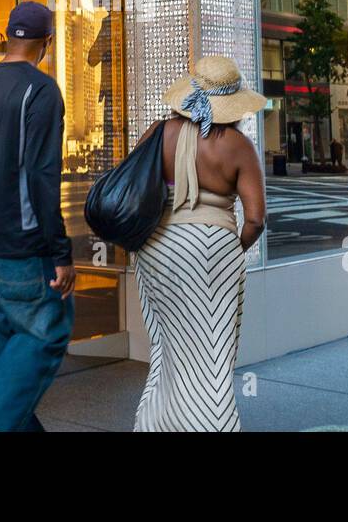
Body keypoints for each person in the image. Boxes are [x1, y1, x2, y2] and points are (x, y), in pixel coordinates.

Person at [0, 1, 74, 431]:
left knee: (9, 373)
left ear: (7, 35)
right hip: (23, 252)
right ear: (46, 43)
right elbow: (43, 175)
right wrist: (60, 251)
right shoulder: (41, 92)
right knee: (49, 331)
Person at [131, 55, 266, 432]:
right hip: (214, 249)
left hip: (159, 249)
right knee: (212, 354)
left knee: (169, 347)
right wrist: (229, 250)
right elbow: (256, 218)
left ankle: (160, 423)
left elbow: (132, 184)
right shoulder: (238, 146)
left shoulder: (158, 133)